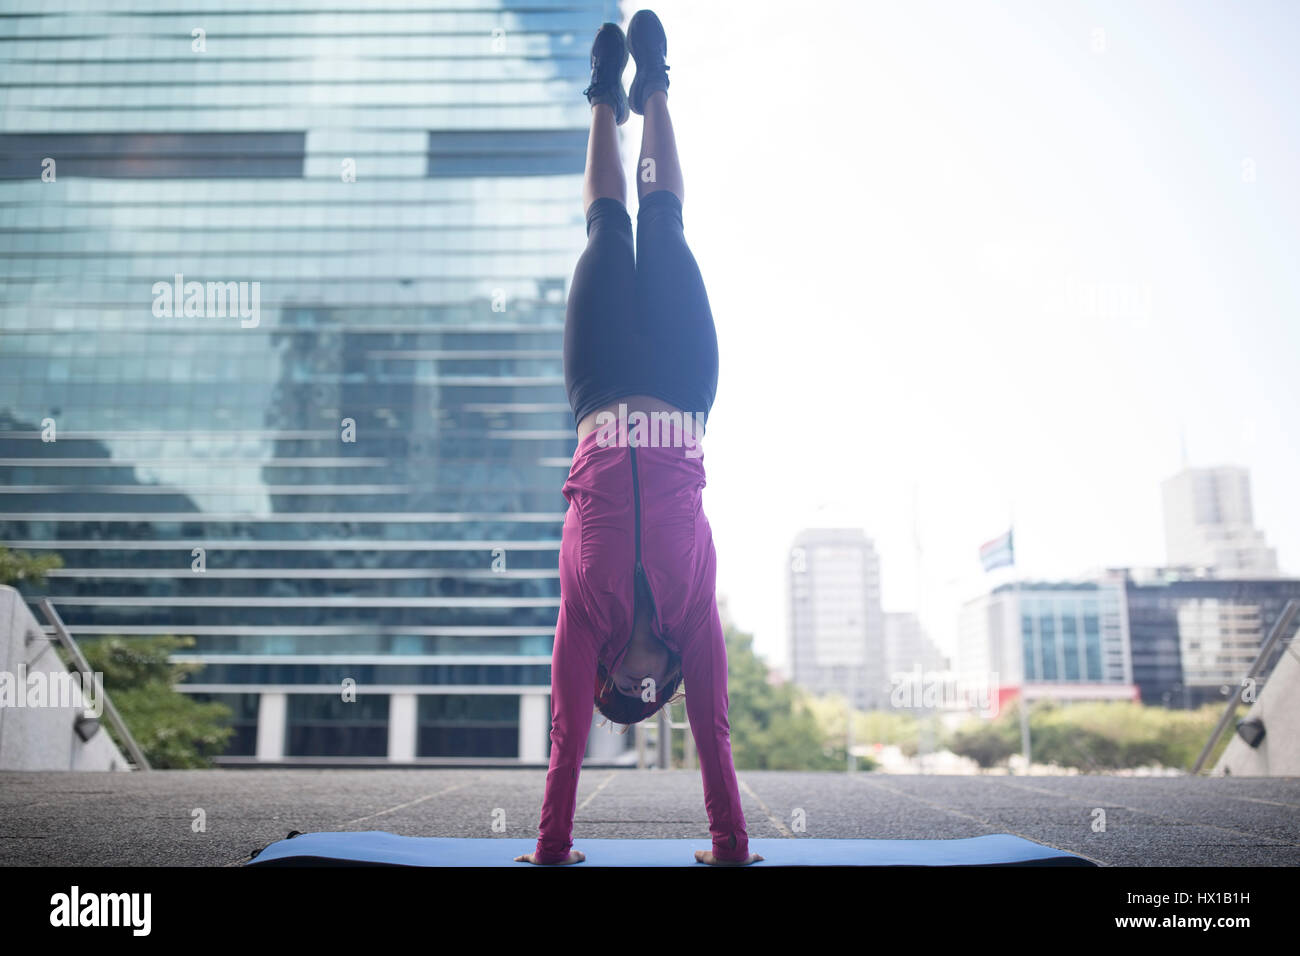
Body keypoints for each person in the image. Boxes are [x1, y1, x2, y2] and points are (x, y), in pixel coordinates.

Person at [514, 10, 761, 867]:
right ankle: (654, 82)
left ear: (610, 684)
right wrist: (729, 847)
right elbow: (717, 731)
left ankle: (601, 99)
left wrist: (551, 850)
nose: (644, 689)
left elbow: (563, 739)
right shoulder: (696, 621)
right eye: (652, 696)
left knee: (605, 228)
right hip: (686, 387)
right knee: (665, 223)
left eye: (629, 695)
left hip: (599, 385)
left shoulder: (585, 622)